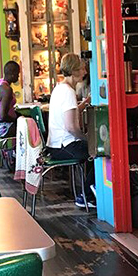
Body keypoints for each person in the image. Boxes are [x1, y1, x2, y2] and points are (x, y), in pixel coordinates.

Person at [46, 52, 95, 208]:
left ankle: (89, 192)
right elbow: (71, 127)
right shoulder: (69, 92)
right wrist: (88, 139)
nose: (85, 72)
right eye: (82, 69)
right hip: (65, 146)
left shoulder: (60, 88)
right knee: (100, 151)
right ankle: (86, 196)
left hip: (55, 145)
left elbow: (69, 113)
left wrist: (85, 103)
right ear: (74, 71)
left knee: (94, 150)